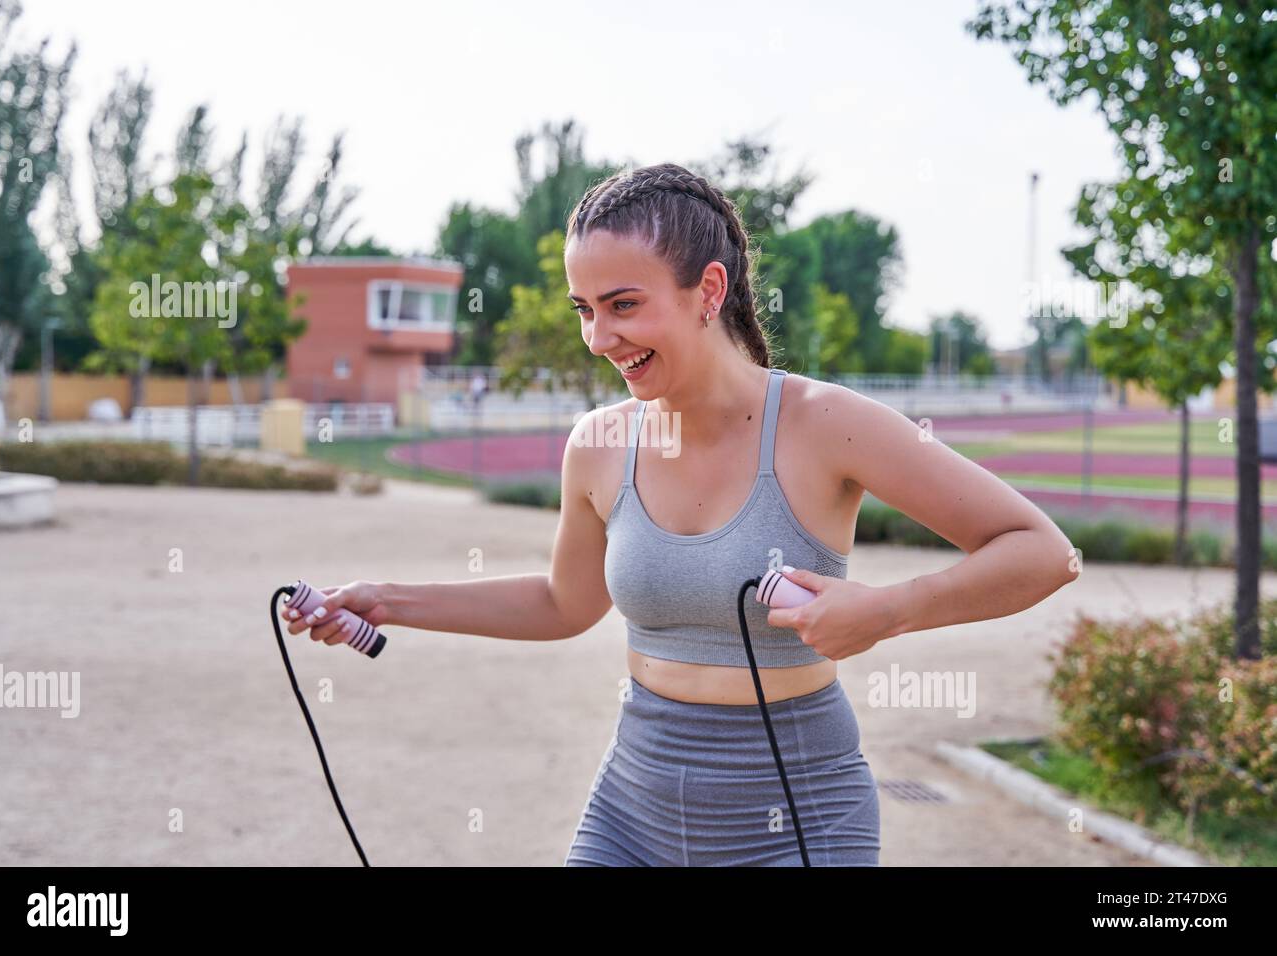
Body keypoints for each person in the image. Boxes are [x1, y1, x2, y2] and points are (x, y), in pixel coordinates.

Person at [283, 162, 1080, 866]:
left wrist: (886, 612)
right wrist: (387, 601)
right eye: (584, 309)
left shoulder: (824, 424)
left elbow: (1042, 552)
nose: (600, 337)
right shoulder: (598, 444)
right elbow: (566, 603)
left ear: (708, 291)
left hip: (799, 824)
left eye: (623, 304)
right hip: (632, 815)